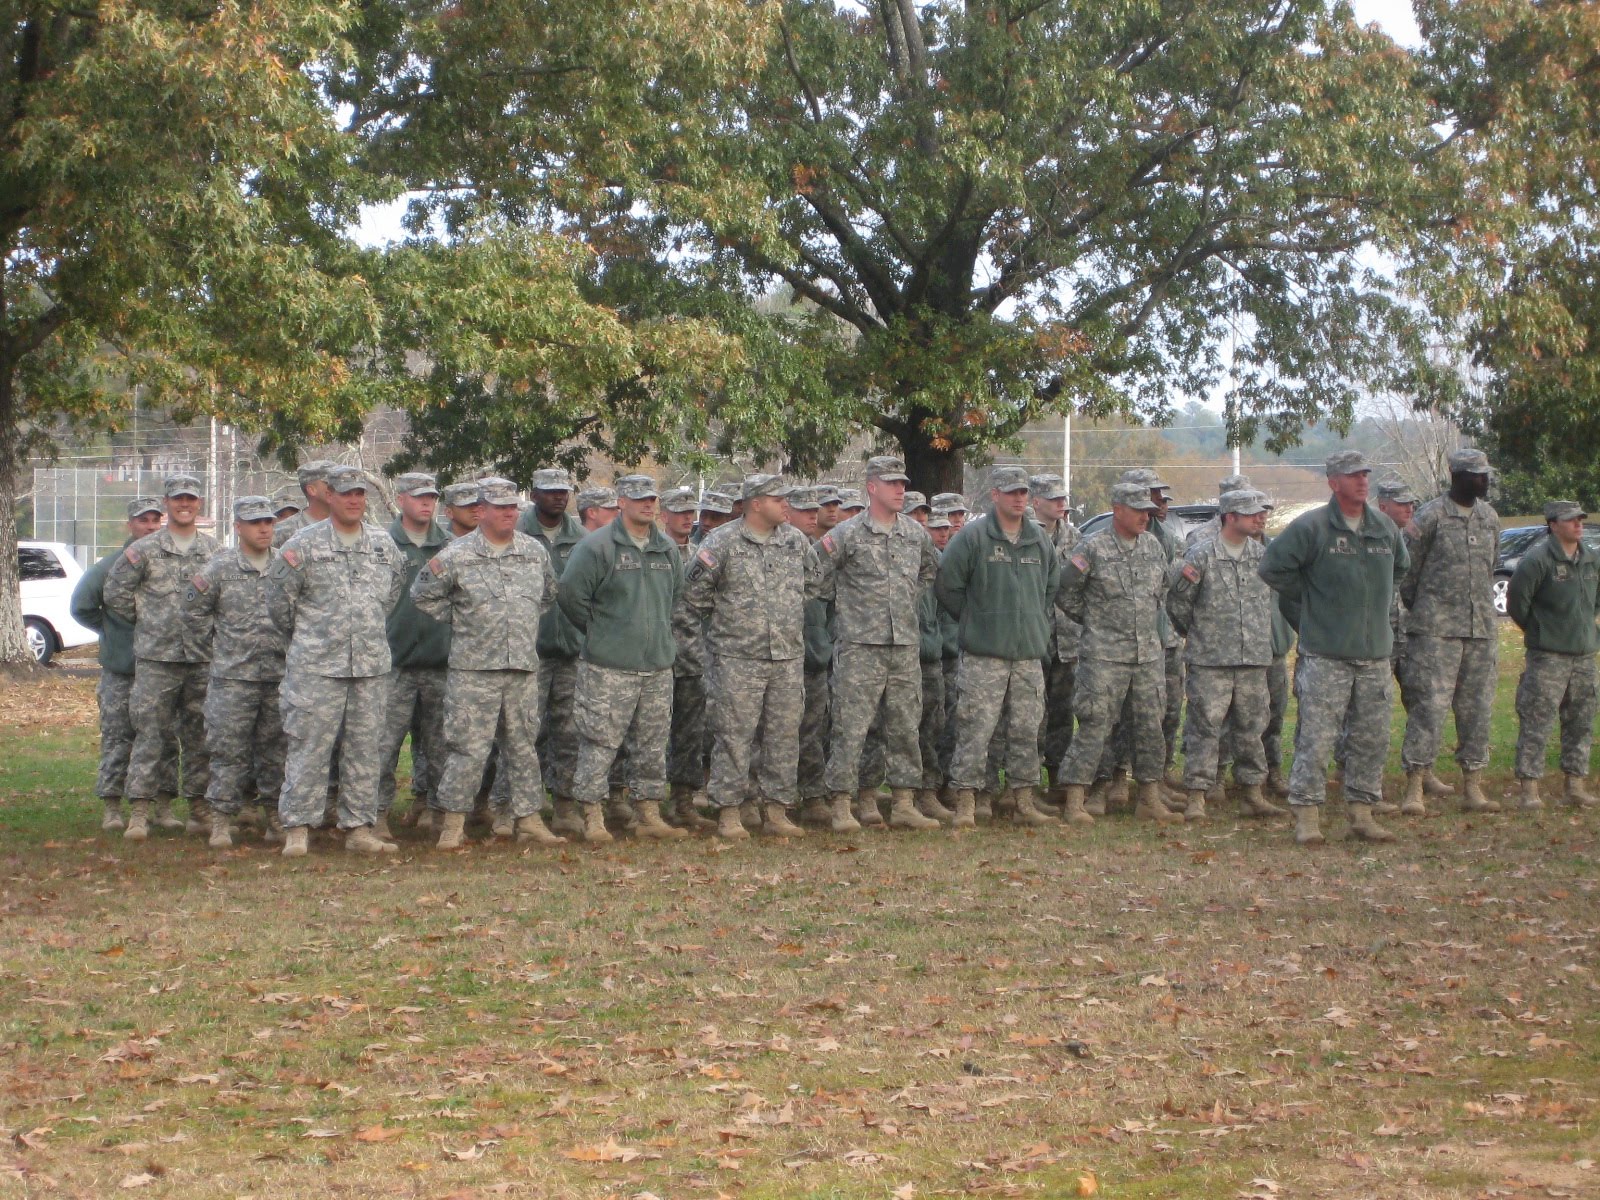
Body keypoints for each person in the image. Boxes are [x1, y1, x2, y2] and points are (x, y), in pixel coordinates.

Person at [1259, 450, 1410, 846]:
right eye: (1353, 475)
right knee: (1316, 737)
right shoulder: (1311, 527)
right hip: (1326, 655)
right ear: (1333, 482)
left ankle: (1362, 813)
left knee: (1371, 737)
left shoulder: (1384, 528)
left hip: (1375, 654)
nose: (1362, 480)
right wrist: (1312, 600)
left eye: (1365, 474)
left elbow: (1401, 569)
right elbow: (1272, 568)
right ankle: (1307, 816)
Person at [411, 477, 565, 848]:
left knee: (524, 746)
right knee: (467, 748)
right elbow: (422, 595)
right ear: (480, 511)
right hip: (473, 671)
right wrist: (466, 617)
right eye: (500, 508)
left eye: (513, 507)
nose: (509, 513)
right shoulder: (456, 554)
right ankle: (452, 823)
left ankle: (527, 818)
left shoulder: (533, 552)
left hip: (522, 669)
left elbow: (547, 595)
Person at [265, 465, 407, 856]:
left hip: (369, 667)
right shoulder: (303, 545)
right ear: (329, 496)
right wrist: (313, 638)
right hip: (316, 667)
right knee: (308, 747)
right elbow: (279, 604)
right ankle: (297, 828)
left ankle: (359, 828)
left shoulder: (383, 546)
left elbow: (392, 594)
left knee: (365, 749)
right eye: (346, 493)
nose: (354, 500)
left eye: (360, 494)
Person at [812, 456, 942, 832]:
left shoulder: (914, 534)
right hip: (859, 646)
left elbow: (928, 571)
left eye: (903, 483)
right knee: (851, 728)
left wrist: (903, 601)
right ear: (872, 487)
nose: (901, 489)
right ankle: (843, 804)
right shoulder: (847, 533)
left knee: (904, 727)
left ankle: (902, 802)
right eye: (892, 483)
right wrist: (844, 605)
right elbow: (815, 571)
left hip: (903, 646)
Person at [684, 474, 816, 839]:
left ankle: (775, 810)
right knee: (733, 736)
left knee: (783, 736)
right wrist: (737, 621)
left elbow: (814, 582)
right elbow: (694, 595)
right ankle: (728, 811)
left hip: (786, 657)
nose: (786, 504)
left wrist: (781, 616)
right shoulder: (722, 542)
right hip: (736, 659)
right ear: (755, 503)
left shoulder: (795, 541)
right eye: (779, 499)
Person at [557, 475, 683, 842]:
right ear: (622, 502)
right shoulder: (597, 547)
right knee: (599, 741)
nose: (647, 504)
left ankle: (647, 811)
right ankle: (593, 813)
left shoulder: (666, 548)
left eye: (652, 498)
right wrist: (602, 633)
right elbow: (571, 597)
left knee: (652, 742)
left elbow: (674, 596)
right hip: (608, 666)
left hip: (657, 664)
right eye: (638, 498)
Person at [937, 466, 1061, 828]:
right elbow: (948, 587)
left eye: (1023, 492)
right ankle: (966, 800)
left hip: (1027, 655)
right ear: (995, 495)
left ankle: (1023, 798)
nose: (1020, 498)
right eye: (1012, 493)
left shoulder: (1038, 540)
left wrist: (1032, 622)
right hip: (984, 655)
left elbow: (1049, 589)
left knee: (1026, 729)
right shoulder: (973, 537)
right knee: (976, 729)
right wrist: (979, 620)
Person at [104, 474, 218, 841]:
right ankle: (139, 808)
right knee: (149, 734)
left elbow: (224, 596)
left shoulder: (214, 552)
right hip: (157, 659)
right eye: (178, 499)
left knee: (201, 736)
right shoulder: (145, 550)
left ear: (199, 504)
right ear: (166, 503)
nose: (184, 505)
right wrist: (147, 621)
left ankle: (199, 806)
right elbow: (116, 591)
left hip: (201, 658)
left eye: (191, 499)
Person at [1054, 482, 1177, 825]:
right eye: (1138, 510)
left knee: (1150, 725)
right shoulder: (1092, 547)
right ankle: (1076, 798)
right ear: (1117, 509)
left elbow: (1162, 589)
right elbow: (1066, 592)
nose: (1144, 517)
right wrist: (1095, 621)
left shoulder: (1152, 546)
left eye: (1148, 512)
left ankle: (1149, 798)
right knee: (1094, 726)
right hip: (1103, 656)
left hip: (1147, 655)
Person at [1165, 490, 1282, 821]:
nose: (1260, 517)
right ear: (1230, 517)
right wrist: (1203, 634)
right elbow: (1178, 605)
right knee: (1204, 728)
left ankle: (1252, 792)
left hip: (1252, 660)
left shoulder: (1263, 557)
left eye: (1261, 512)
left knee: (1252, 727)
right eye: (1251, 513)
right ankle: (1197, 796)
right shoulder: (1200, 556)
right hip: (1210, 660)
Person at [1397, 449, 1501, 815]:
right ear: (1456, 475)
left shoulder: (1489, 518)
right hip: (1435, 633)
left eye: (1486, 474)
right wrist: (1428, 612)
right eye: (1477, 475)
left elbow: (1490, 569)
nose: (1484, 481)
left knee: (1476, 709)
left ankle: (1473, 786)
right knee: (1429, 708)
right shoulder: (1430, 517)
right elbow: (1406, 576)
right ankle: (1415, 787)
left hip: (1480, 631)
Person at [185, 496, 288, 848]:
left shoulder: (286, 566)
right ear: (238, 527)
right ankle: (221, 819)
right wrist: (213, 653)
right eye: (256, 522)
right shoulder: (219, 568)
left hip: (278, 677)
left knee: (277, 751)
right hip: (233, 680)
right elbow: (192, 613)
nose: (264, 528)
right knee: (228, 751)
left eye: (269, 522)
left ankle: (275, 815)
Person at [71, 497, 169, 832]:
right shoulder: (111, 565)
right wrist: (111, 631)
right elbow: (82, 605)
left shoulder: (167, 565)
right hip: (122, 673)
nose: (151, 527)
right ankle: (112, 808)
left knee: (163, 739)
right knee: (117, 737)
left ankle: (162, 806)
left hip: (162, 671)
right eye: (144, 521)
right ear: (130, 524)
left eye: (156, 521)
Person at [1507, 501, 1600, 811]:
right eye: (1570, 520)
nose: (1578, 524)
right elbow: (1517, 604)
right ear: (1553, 524)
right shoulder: (1537, 560)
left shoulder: (1590, 559)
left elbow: (1594, 602)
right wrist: (1541, 632)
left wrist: (1586, 627)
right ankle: (1529, 789)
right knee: (1537, 720)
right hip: (1548, 657)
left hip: (1584, 655)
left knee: (1581, 722)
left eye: (1580, 519)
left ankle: (1575, 785)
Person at [515, 468, 589, 836]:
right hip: (530, 653)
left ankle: (564, 805)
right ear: (534, 494)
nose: (560, 497)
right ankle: (516, 807)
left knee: (570, 731)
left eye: (565, 491)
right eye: (550, 491)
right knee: (523, 733)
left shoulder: (583, 538)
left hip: (573, 650)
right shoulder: (517, 534)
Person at [377, 473, 451, 837]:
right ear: (401, 499)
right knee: (382, 745)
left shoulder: (451, 547)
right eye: (419, 497)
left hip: (441, 663)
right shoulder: (381, 544)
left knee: (441, 745)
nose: (427, 503)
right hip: (393, 664)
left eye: (432, 497)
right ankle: (375, 815)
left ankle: (439, 812)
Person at [659, 486, 715, 831]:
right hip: (655, 657)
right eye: (678, 511)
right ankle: (640, 802)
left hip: (693, 656)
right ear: (663, 515)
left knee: (689, 734)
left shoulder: (702, 554)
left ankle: (683, 801)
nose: (686, 518)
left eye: (690, 511)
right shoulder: (653, 552)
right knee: (647, 735)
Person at [1029, 473, 1081, 811]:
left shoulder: (1075, 537)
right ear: (1036, 502)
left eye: (1063, 498)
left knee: (1062, 714)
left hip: (1066, 640)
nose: (1061, 503)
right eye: (1053, 499)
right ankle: (1026, 784)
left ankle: (1058, 779)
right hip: (1033, 637)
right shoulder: (1024, 536)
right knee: (1032, 715)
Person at [272, 460, 336, 546]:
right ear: (312, 490)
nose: (338, 486)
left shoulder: (352, 525)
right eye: (330, 483)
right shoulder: (282, 532)